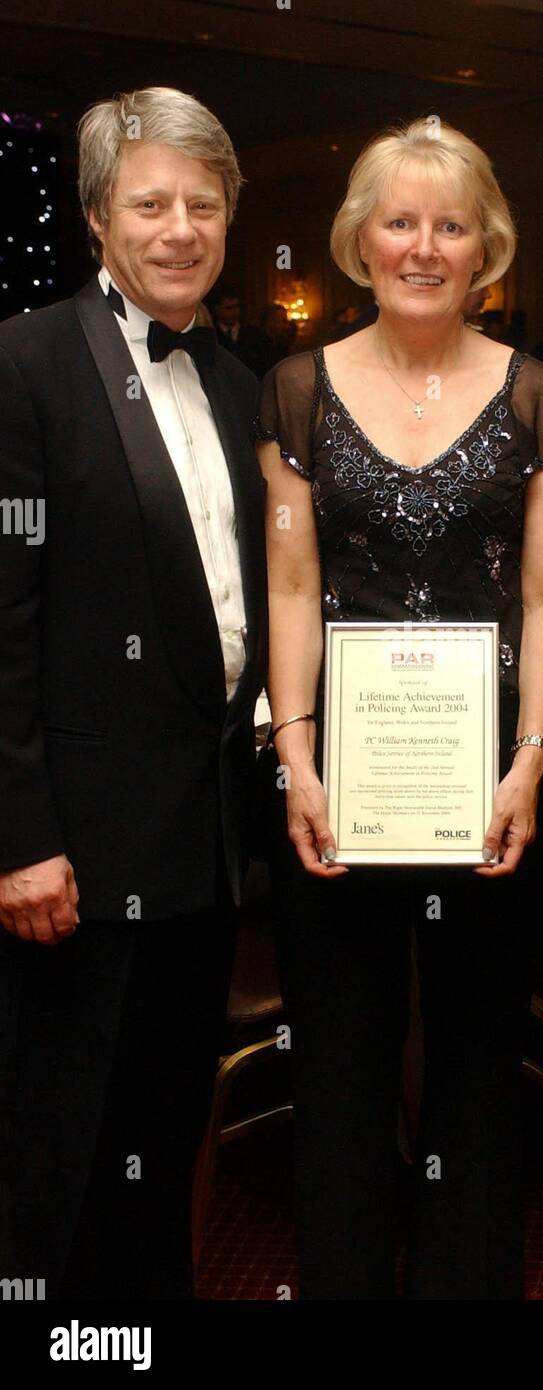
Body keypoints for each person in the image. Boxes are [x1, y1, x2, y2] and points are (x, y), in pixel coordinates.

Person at [256, 117, 543, 1299]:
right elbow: (291, 582)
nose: (423, 245)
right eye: (400, 220)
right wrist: (293, 754)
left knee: (473, 1072)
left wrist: (531, 764)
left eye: (450, 224)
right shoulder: (294, 391)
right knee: (338, 1070)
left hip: (488, 787)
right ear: (360, 238)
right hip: (335, 787)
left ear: (486, 244)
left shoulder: (539, 394)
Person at [0, 86, 267, 1299]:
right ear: (97, 216)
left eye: (202, 204)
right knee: (55, 1161)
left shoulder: (237, 381)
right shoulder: (25, 363)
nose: (179, 229)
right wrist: (22, 840)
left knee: (160, 1151)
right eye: (149, 202)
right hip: (73, 863)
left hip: (204, 849)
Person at [238, 302, 297, 379]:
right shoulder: (254, 346)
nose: (286, 326)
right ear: (271, 321)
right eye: (283, 321)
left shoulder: (281, 343)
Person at [211, 285, 243, 353]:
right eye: (229, 308)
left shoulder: (253, 334)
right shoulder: (212, 336)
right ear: (217, 309)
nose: (234, 312)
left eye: (236, 307)